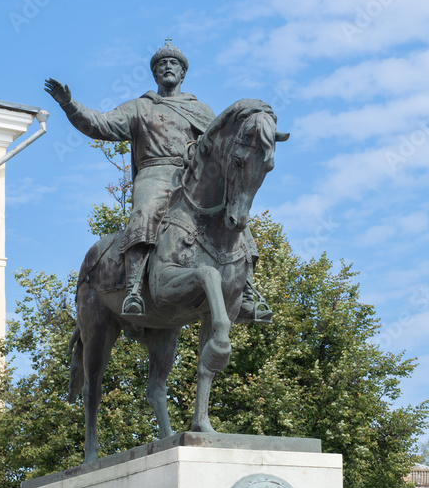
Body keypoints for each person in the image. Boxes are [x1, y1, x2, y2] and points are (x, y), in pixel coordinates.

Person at [45, 40, 272, 322]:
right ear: (155, 73)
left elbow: (217, 147)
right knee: (146, 211)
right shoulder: (141, 107)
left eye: (173, 63)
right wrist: (70, 105)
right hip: (155, 174)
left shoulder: (199, 109)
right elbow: (100, 124)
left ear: (182, 72)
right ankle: (134, 290)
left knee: (234, 215)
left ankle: (247, 292)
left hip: (194, 176)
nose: (167, 67)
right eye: (161, 64)